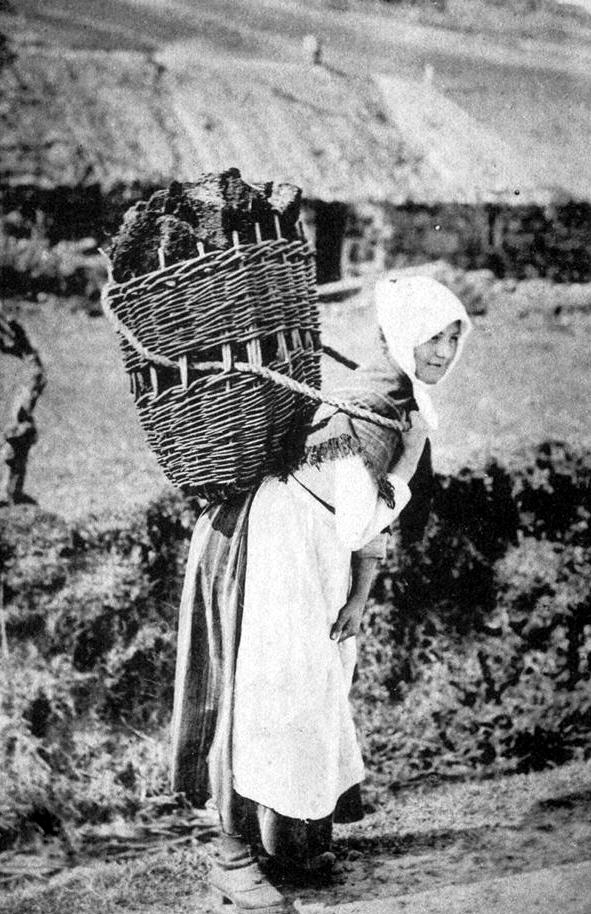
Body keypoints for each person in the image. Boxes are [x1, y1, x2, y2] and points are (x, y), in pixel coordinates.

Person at [170, 276, 472, 912]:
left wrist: (358, 594)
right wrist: (408, 462)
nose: (443, 352)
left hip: (313, 555)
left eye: (453, 337)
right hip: (273, 553)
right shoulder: (363, 407)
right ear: (399, 334)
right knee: (264, 697)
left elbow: (361, 521)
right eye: (432, 337)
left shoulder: (394, 401)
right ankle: (231, 858)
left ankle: (290, 845)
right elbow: (362, 515)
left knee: (311, 695)